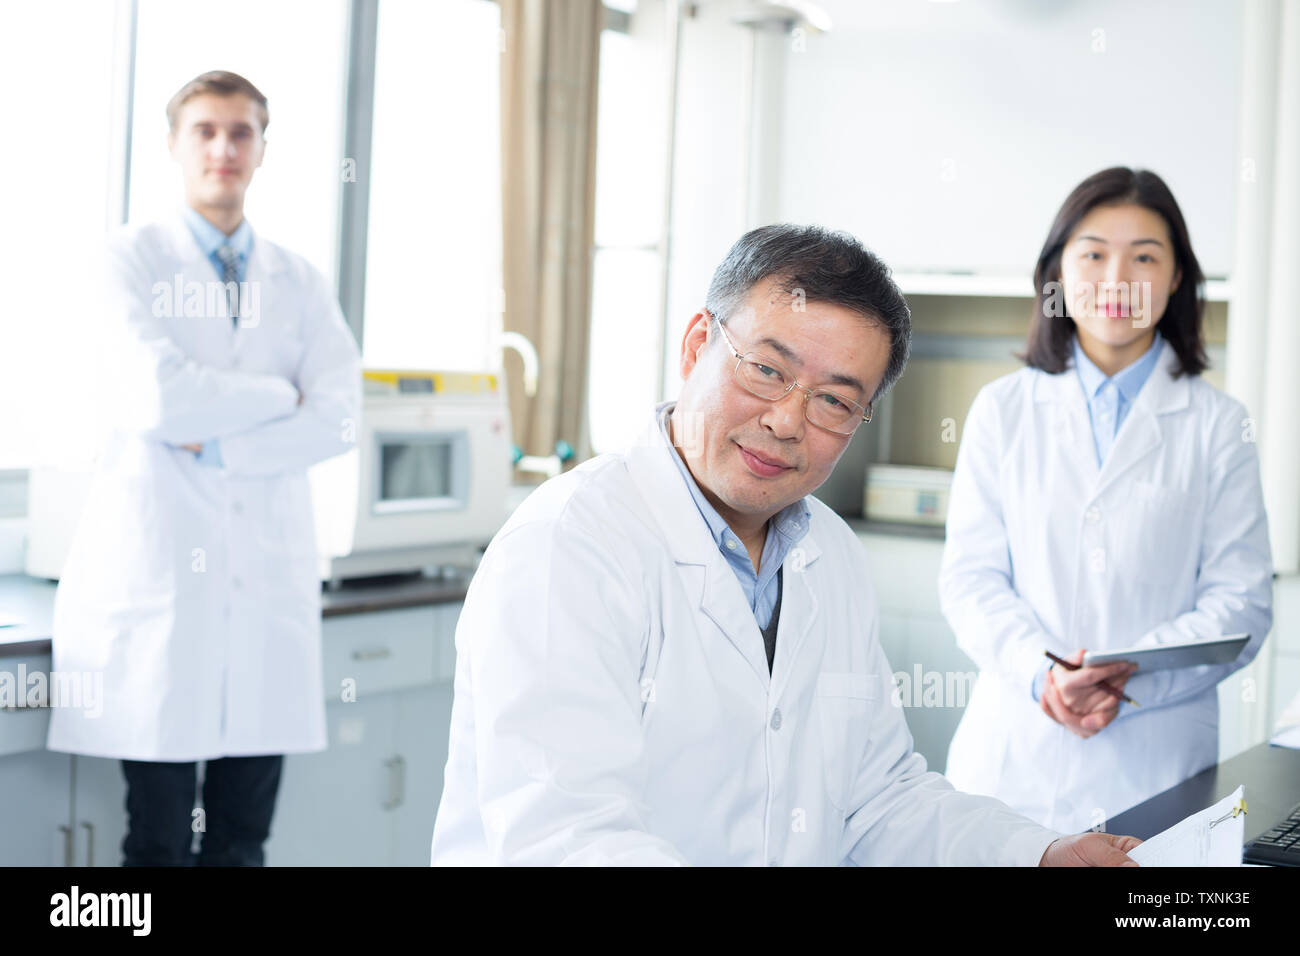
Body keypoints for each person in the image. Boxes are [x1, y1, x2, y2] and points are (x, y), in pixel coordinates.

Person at [430, 224, 1139, 865]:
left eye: (834, 400)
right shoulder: (570, 547)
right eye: (766, 369)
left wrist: (1039, 855)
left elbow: (878, 800)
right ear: (697, 345)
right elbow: (567, 841)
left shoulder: (829, 554)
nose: (786, 421)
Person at [46, 71, 361, 865]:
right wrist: (272, 394)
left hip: (264, 605)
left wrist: (220, 442)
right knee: (156, 843)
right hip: (159, 597)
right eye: (206, 130)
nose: (224, 147)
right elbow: (157, 399)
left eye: (242, 131)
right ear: (174, 144)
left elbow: (339, 414)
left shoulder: (301, 280)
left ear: (261, 147)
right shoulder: (125, 260)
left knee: (241, 843)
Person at [939, 167, 1273, 833]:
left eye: (1145, 257)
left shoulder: (1216, 424)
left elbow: (1241, 604)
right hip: (1011, 765)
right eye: (1093, 253)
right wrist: (1045, 677)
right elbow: (971, 580)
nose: (1117, 278)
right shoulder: (1003, 410)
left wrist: (1128, 679)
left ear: (1177, 277)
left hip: (1158, 770)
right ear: (1057, 270)